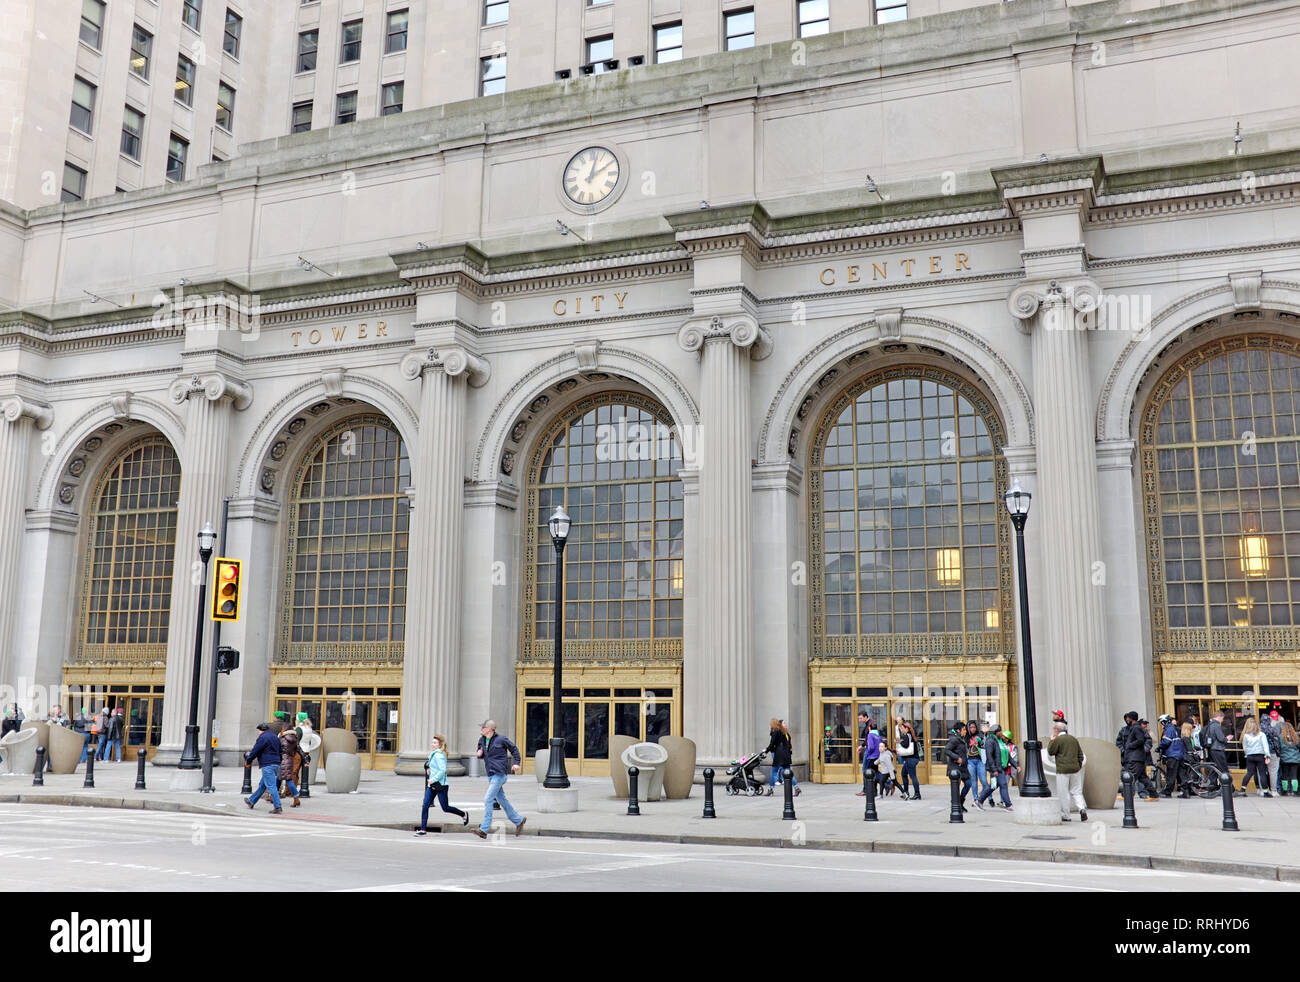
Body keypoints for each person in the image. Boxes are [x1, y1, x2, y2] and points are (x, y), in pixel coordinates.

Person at [474, 719, 525, 838]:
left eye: (483, 727)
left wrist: (517, 763)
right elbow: (480, 752)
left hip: (500, 774)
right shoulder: (481, 740)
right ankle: (519, 821)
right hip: (490, 774)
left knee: (488, 799)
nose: (481, 729)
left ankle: (484, 829)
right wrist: (479, 753)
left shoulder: (501, 739)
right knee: (502, 800)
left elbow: (514, 750)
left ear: (490, 729)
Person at [415, 734, 469, 834]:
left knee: (445, 808)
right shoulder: (434, 754)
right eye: (432, 742)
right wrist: (430, 770)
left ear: (440, 745)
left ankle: (463, 814)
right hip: (432, 785)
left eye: (435, 743)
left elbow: (442, 770)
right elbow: (435, 767)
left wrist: (433, 779)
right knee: (425, 806)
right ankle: (423, 829)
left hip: (441, 786)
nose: (432, 744)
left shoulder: (439, 755)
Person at [1046, 720, 1088, 821]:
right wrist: (1078, 765)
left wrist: (1051, 740)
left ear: (1057, 730)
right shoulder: (1073, 739)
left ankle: (1066, 815)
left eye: (1054, 729)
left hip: (1062, 770)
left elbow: (1051, 752)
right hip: (1075, 769)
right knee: (1077, 791)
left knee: (1063, 793)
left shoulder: (1058, 740)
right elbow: (1080, 754)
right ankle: (1082, 808)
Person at [244, 722, 283, 814]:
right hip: (276, 764)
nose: (258, 732)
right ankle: (251, 801)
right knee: (263, 784)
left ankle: (277, 806)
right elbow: (280, 751)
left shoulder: (263, 738)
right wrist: (279, 761)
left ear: (261, 730)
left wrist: (248, 761)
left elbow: (255, 750)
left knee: (271, 786)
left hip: (267, 764)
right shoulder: (275, 737)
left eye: (258, 731)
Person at [1204, 710, 1241, 796]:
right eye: (1222, 718)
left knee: (1214, 769)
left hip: (1212, 749)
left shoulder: (1210, 725)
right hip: (1218, 749)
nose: (1222, 720)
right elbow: (1221, 738)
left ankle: (1212, 788)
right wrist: (1227, 738)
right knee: (1223, 769)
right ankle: (1230, 789)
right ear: (1219, 717)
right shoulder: (1216, 725)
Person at [764, 719, 799, 796]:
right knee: (788, 773)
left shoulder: (776, 731)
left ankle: (771, 789)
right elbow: (788, 744)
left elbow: (772, 743)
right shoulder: (784, 732)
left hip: (779, 755)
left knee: (774, 772)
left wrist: (766, 750)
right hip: (786, 755)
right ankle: (797, 788)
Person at [1240, 716, 1271, 797]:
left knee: (1249, 773)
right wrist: (1267, 755)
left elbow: (1245, 747)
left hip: (1250, 756)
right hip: (1260, 755)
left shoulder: (1246, 735)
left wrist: (1247, 754)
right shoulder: (1261, 734)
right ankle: (1265, 792)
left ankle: (1242, 789)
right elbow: (1265, 746)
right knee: (1262, 773)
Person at [985, 724, 1013, 808]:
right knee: (1000, 785)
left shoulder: (1000, 741)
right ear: (996, 732)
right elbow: (990, 756)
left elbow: (1007, 756)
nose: (1001, 733)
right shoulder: (991, 741)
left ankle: (979, 801)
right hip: (995, 769)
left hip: (999, 768)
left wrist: (1016, 765)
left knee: (994, 786)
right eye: (1000, 731)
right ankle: (1008, 805)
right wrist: (994, 769)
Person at [1156, 714, 1184, 796]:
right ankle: (1185, 791)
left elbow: (1166, 741)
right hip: (1179, 754)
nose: (1162, 724)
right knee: (1181, 774)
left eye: (1162, 722)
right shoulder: (1175, 728)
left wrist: (1159, 747)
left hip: (1172, 754)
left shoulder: (1168, 729)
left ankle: (1167, 792)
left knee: (1171, 774)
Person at [943, 721, 969, 811]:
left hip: (963, 767)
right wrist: (957, 757)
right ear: (958, 731)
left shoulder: (962, 739)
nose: (965, 731)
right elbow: (946, 750)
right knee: (955, 787)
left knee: (968, 784)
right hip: (955, 767)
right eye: (964, 730)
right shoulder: (954, 739)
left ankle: (960, 802)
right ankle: (956, 805)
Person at [895, 719, 922, 800]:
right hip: (912, 759)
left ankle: (917, 794)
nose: (901, 730)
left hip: (911, 759)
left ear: (907, 729)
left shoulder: (907, 736)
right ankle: (906, 792)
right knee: (904, 773)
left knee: (913, 776)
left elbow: (906, 745)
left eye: (902, 728)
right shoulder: (911, 736)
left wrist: (899, 742)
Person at [279, 719, 301, 807]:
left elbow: (279, 749)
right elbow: (297, 749)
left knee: (288, 780)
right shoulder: (294, 739)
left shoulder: (283, 739)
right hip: (290, 760)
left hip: (283, 761)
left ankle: (296, 798)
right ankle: (274, 797)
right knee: (279, 779)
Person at [857, 713, 880, 797]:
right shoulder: (869, 724)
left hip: (870, 751)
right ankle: (887, 783)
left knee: (865, 770)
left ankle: (866, 790)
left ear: (866, 717)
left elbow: (869, 739)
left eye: (861, 718)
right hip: (872, 751)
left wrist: (863, 747)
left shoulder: (870, 725)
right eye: (859, 719)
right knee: (872, 770)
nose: (860, 720)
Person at [1263, 710, 1283, 798]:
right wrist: (1278, 754)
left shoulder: (1260, 730)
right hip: (1272, 752)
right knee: (1273, 772)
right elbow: (1276, 743)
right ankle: (1274, 790)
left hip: (1261, 753)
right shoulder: (1272, 730)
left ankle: (1262, 789)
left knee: (1261, 772)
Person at [1277, 721, 1300, 796]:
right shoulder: (1296, 737)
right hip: (1295, 758)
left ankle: (1285, 791)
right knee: (1294, 775)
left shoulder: (1281, 737)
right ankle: (1295, 791)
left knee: (1285, 775)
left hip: (1284, 758)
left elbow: (1279, 747)